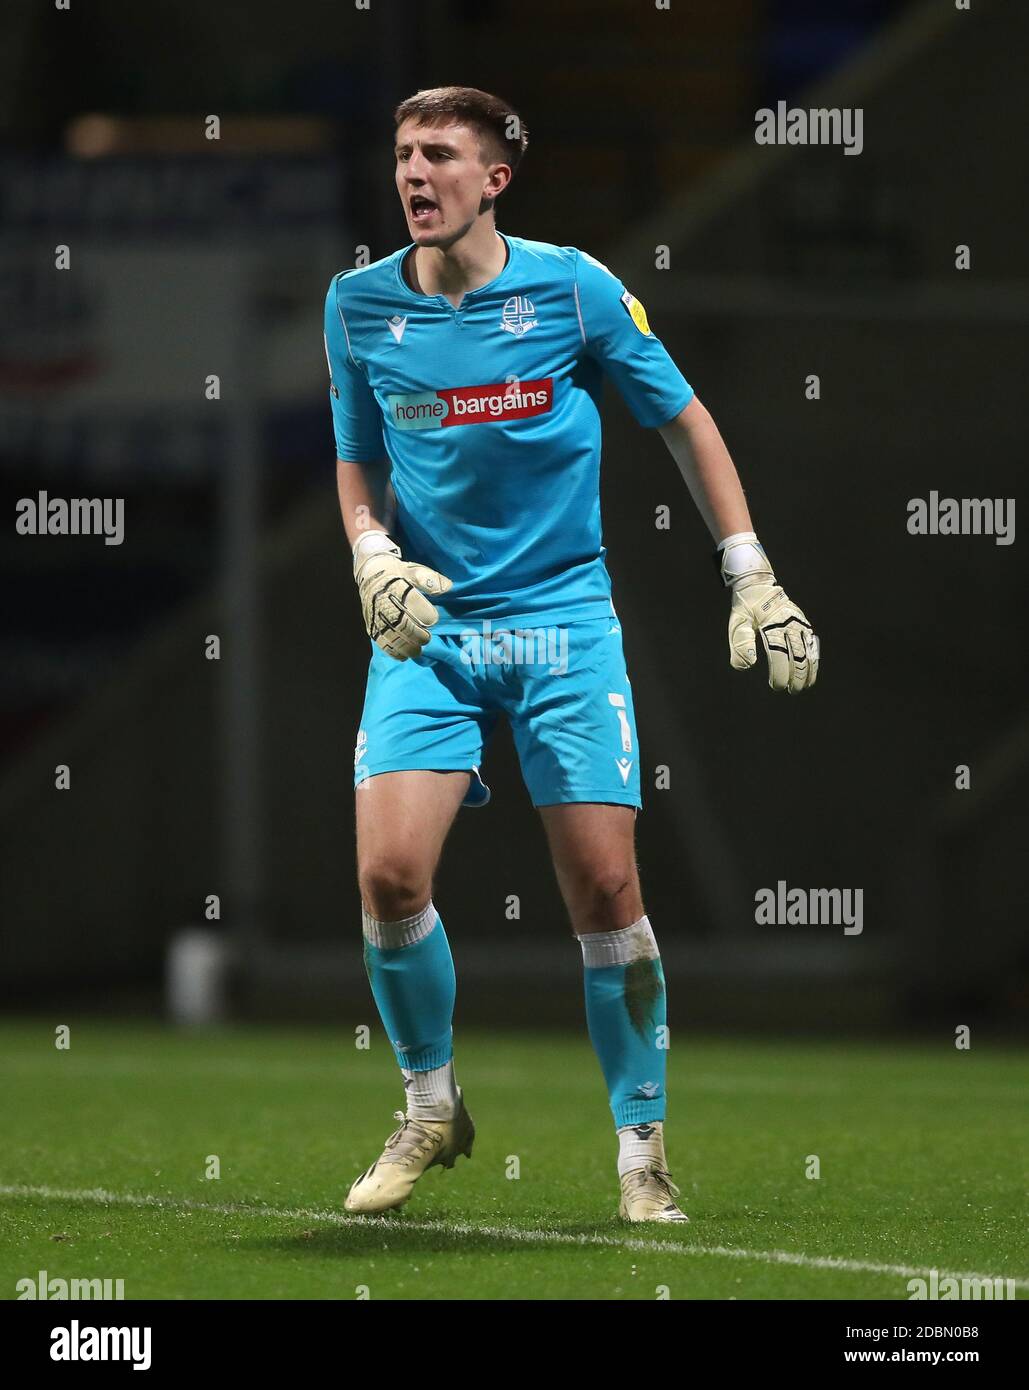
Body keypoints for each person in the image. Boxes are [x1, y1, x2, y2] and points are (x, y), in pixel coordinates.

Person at [324, 86, 819, 1223]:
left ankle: (641, 1153)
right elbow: (356, 453)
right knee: (389, 875)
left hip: (560, 622)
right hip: (428, 622)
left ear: (494, 178)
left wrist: (752, 571)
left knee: (604, 884)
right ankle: (430, 1104)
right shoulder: (355, 306)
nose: (414, 173)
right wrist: (368, 552)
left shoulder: (576, 287)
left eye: (440, 155)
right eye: (402, 153)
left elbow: (684, 420)